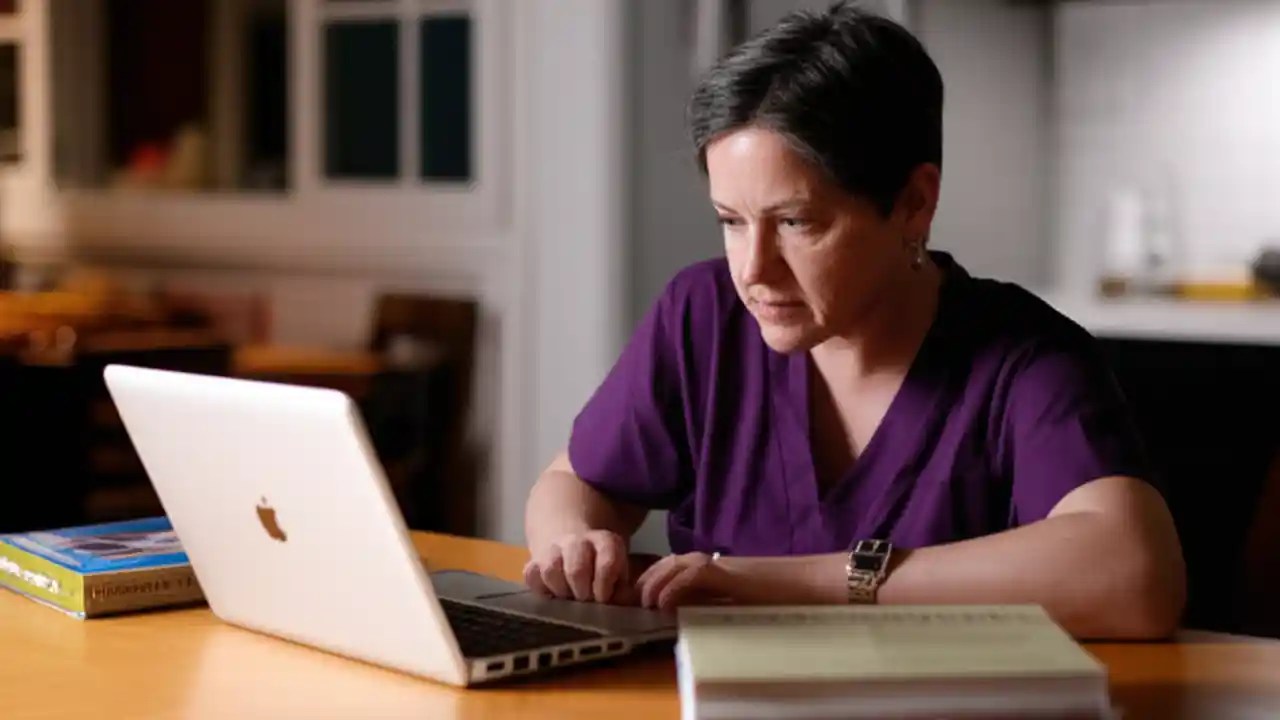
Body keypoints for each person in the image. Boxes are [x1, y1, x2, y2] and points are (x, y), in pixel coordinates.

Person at [523, 2, 1185, 639]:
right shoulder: (702, 315)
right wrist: (574, 545)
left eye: (795, 222)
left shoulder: (1024, 357)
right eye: (731, 222)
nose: (754, 269)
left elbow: (1134, 575)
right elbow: (574, 482)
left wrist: (784, 584)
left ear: (914, 204)